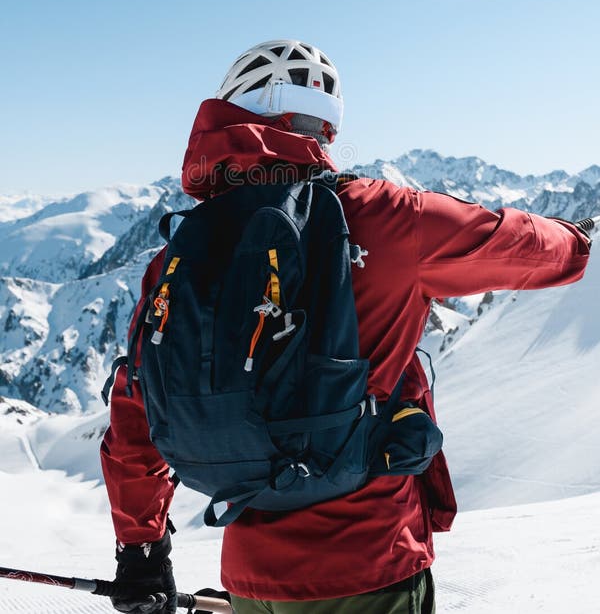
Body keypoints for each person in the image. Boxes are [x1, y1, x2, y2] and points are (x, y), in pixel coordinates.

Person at [101, 39, 591, 614]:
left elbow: (136, 407)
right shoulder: (384, 217)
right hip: (369, 563)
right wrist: (579, 237)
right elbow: (525, 248)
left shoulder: (179, 254)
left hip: (250, 580)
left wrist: (140, 551)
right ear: (326, 127)